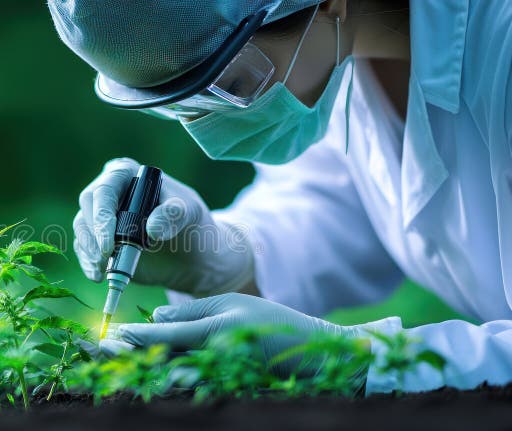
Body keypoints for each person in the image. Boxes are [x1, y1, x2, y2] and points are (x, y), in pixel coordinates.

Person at [47, 0, 512, 394]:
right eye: (178, 107)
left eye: (231, 87)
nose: (205, 136)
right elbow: (324, 207)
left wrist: (355, 359)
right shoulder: (340, 50)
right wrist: (217, 257)